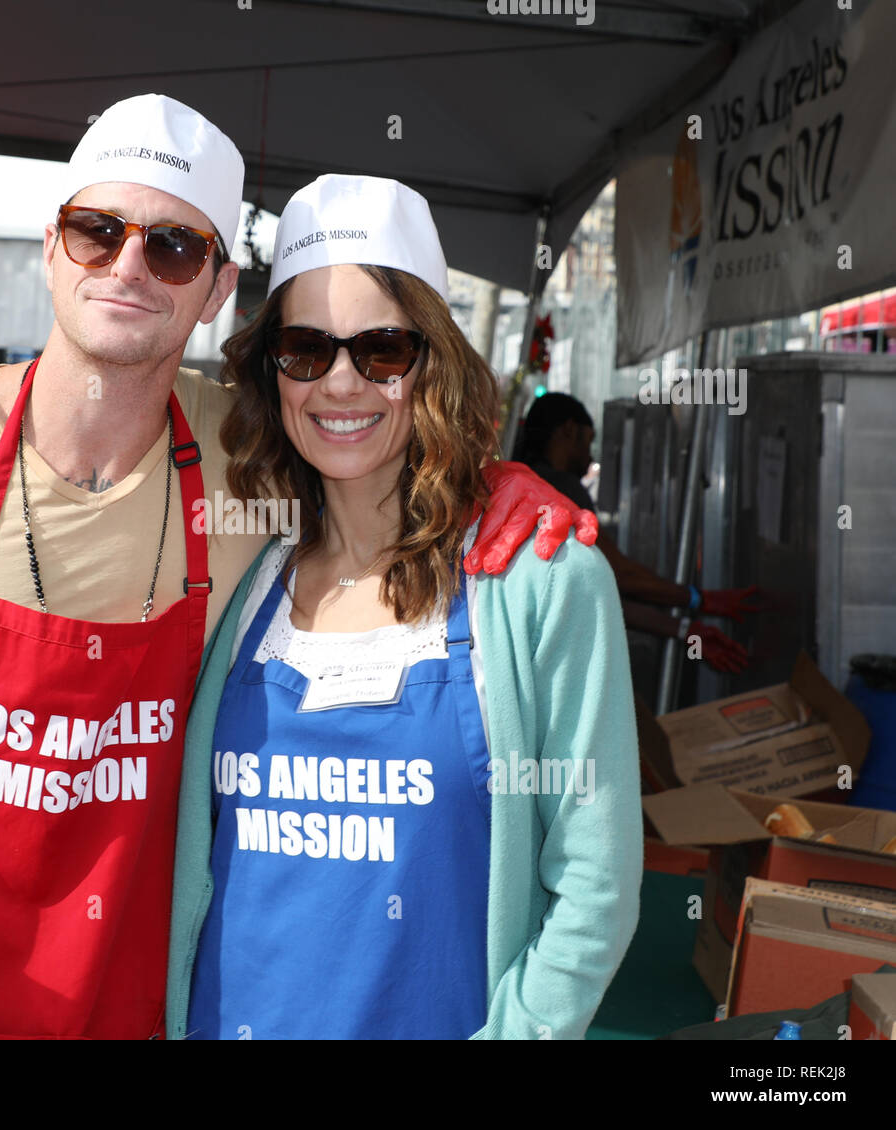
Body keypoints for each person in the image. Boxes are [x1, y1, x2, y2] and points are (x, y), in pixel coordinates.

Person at [0, 96, 589, 1041]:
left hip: (114, 1008)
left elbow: (381, 436)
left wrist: (497, 486)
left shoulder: (253, 456)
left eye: (173, 247)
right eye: (99, 232)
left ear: (218, 289)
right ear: (51, 247)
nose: (129, 266)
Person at [167, 175, 641, 1040]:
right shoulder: (238, 577)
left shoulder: (538, 579)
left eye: (381, 349)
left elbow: (596, 884)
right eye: (306, 349)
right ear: (273, 371)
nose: (340, 383)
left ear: (435, 364)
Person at [516, 391, 760, 673]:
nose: (590, 456)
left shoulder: (523, 481)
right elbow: (617, 575)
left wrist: (685, 629)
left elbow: (602, 594)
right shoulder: (561, 488)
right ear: (569, 430)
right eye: (589, 441)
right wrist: (699, 599)